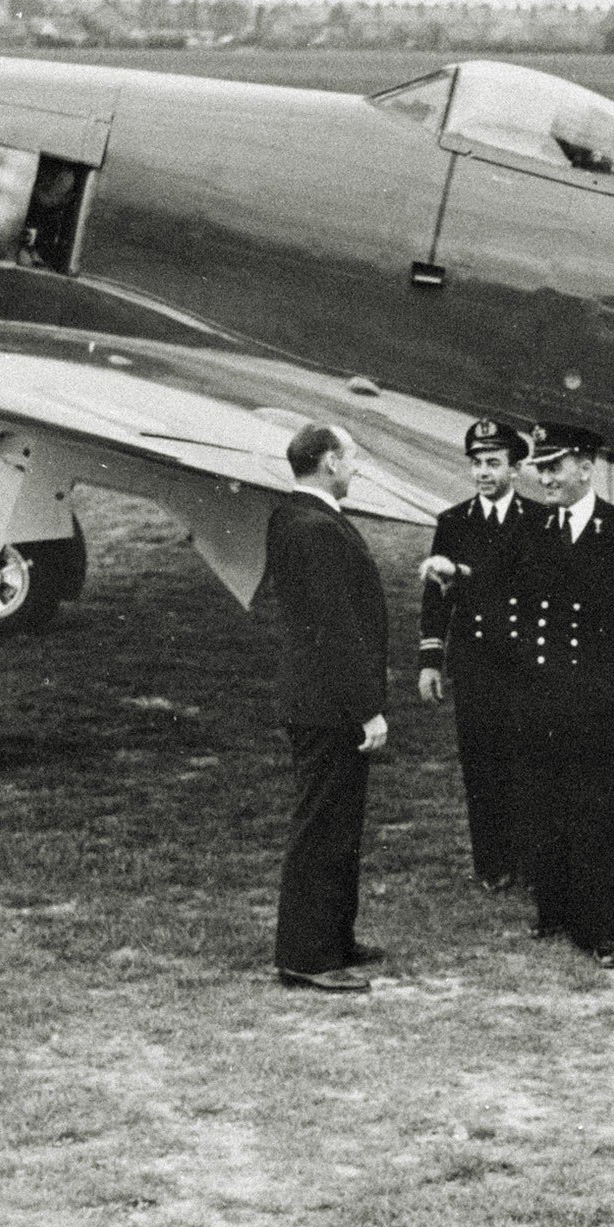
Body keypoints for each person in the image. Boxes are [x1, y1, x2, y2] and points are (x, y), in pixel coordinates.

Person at [506, 422, 614, 968]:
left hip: (602, 696)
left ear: (585, 466)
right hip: (545, 694)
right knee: (546, 803)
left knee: (602, 810)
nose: (545, 477)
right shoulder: (533, 529)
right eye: (541, 468)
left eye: (555, 466)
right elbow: (520, 613)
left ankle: (602, 926)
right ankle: (554, 909)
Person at [262, 422, 392, 992]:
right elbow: (334, 629)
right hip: (328, 705)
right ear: (331, 462)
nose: (357, 469)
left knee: (336, 826)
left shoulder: (298, 518)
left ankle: (331, 940)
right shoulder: (315, 528)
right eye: (353, 459)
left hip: (318, 699)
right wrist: (367, 708)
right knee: (323, 829)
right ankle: (307, 957)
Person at [417, 417, 537, 890]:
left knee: (526, 759)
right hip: (475, 663)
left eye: (493, 463)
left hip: (526, 663)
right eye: (476, 464)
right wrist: (431, 658)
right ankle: (492, 863)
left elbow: (526, 586)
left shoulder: (539, 521)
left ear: (516, 468)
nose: (483, 473)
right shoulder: (453, 522)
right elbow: (435, 597)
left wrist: (461, 570)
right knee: (481, 763)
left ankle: (530, 858)